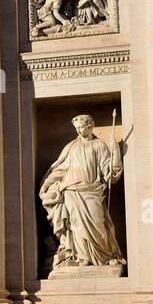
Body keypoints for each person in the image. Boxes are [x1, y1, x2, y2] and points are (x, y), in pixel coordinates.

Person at [39, 114, 125, 269]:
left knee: (97, 223)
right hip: (71, 190)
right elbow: (61, 169)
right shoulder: (71, 147)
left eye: (82, 127)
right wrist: (47, 183)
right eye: (76, 128)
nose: (79, 131)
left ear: (90, 126)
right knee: (75, 225)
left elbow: (109, 172)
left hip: (92, 191)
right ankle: (81, 257)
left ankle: (103, 255)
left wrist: (115, 152)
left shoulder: (99, 145)